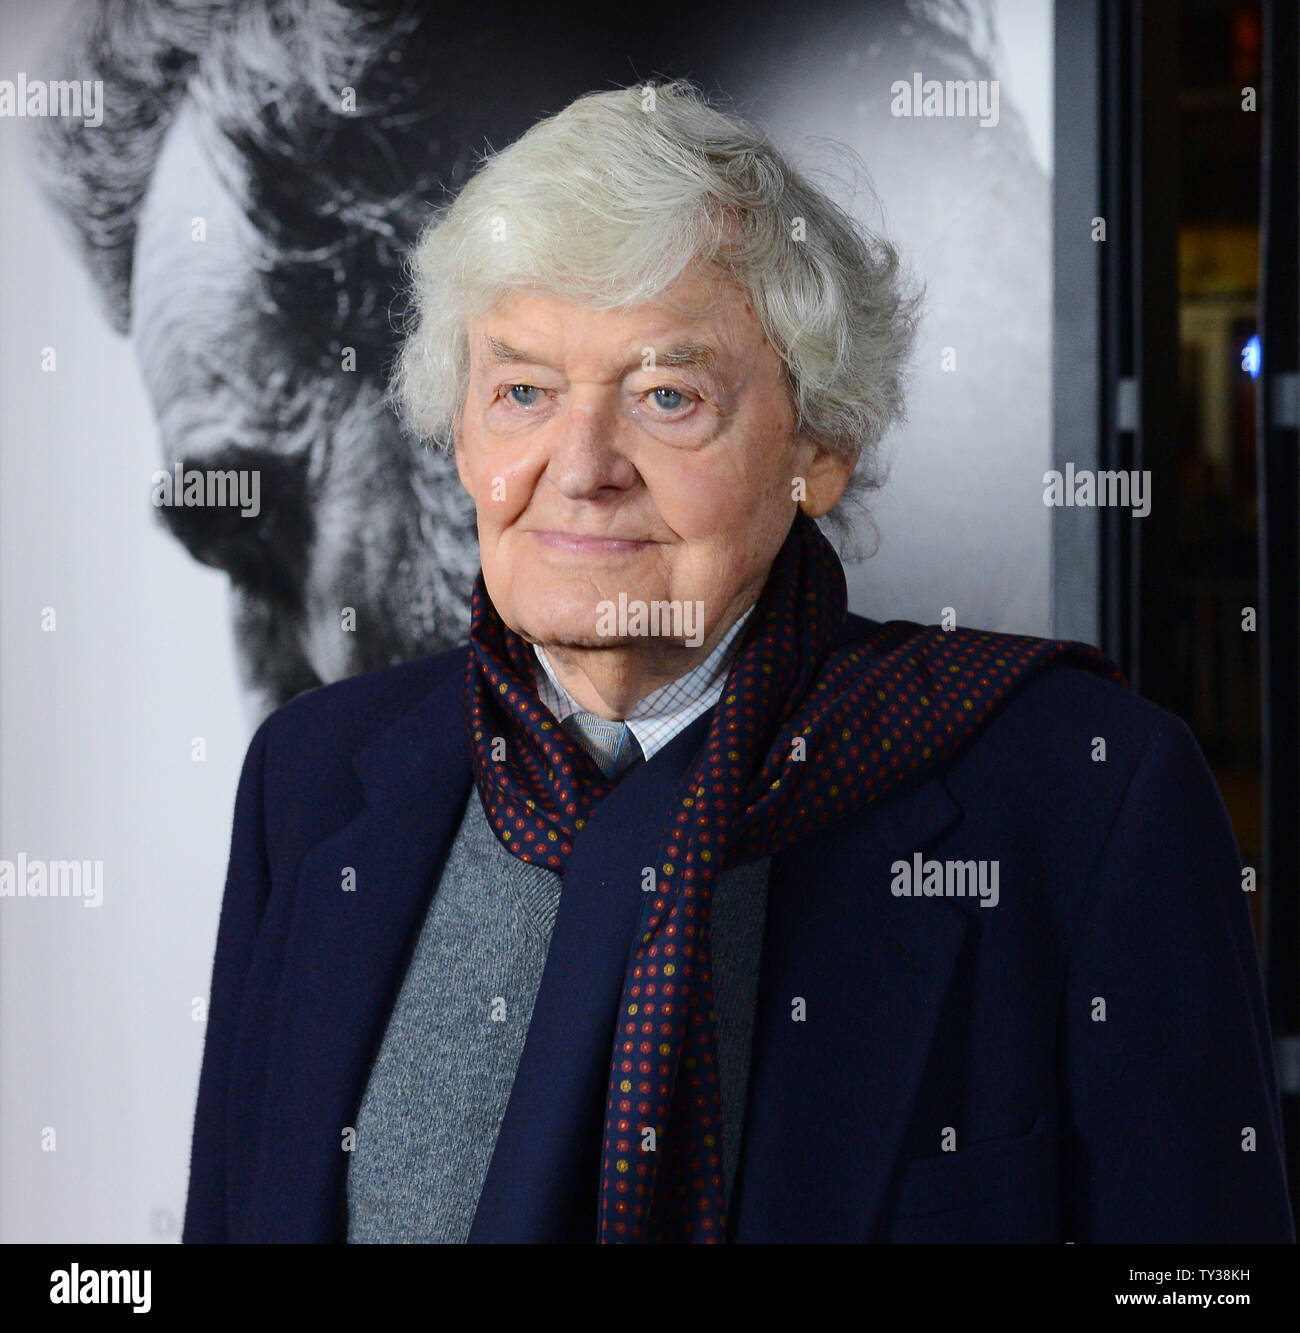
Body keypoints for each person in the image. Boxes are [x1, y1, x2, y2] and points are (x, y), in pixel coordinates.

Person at [182, 81, 1294, 1244]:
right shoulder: (311, 781)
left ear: (820, 447)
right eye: (521, 392)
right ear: (459, 434)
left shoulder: (1086, 796)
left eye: (668, 396)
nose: (582, 465)